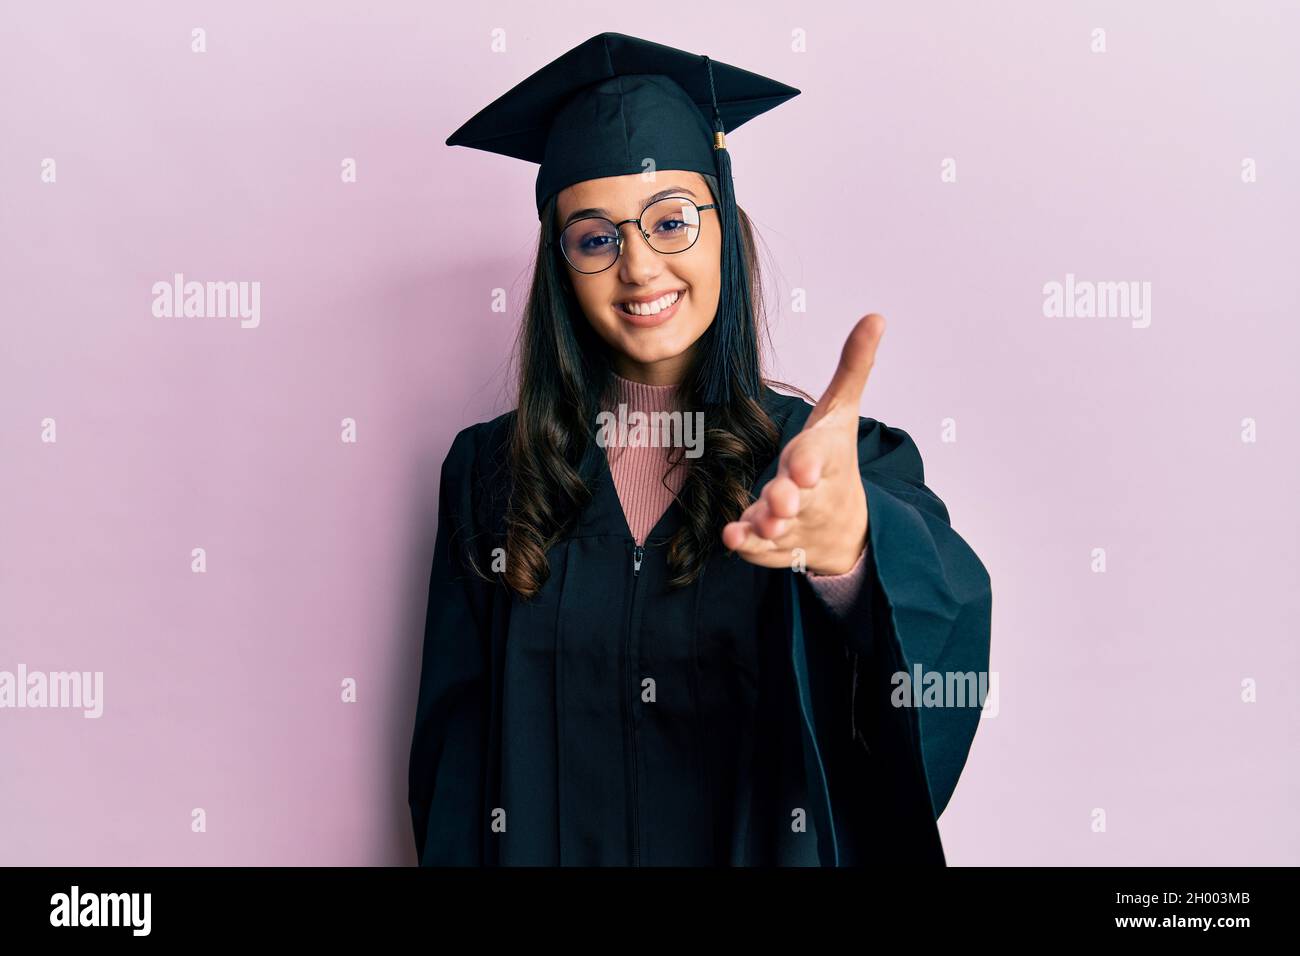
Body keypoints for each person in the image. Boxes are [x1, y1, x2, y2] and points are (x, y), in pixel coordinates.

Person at [409, 32, 992, 866]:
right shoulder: (490, 479)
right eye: (595, 237)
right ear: (562, 266)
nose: (640, 267)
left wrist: (850, 560)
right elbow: (455, 767)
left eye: (672, 221)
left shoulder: (828, 464)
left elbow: (924, 671)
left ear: (724, 227)